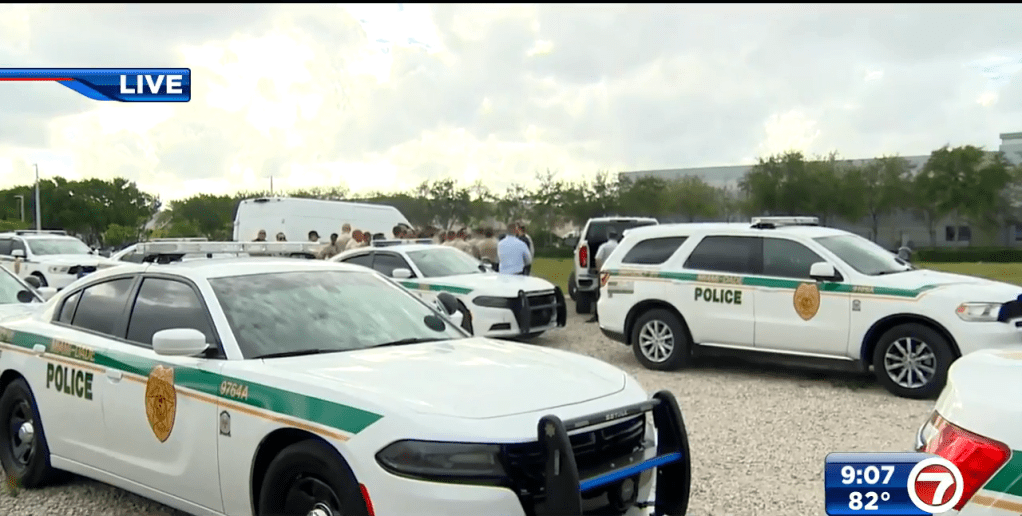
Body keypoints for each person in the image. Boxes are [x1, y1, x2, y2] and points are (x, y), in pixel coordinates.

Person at [588, 229, 620, 323]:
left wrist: (600, 271)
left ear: (608, 236)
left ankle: (597, 316)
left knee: (600, 294)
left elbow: (598, 258)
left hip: (605, 273)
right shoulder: (619, 247)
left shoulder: (604, 246)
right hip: (616, 273)